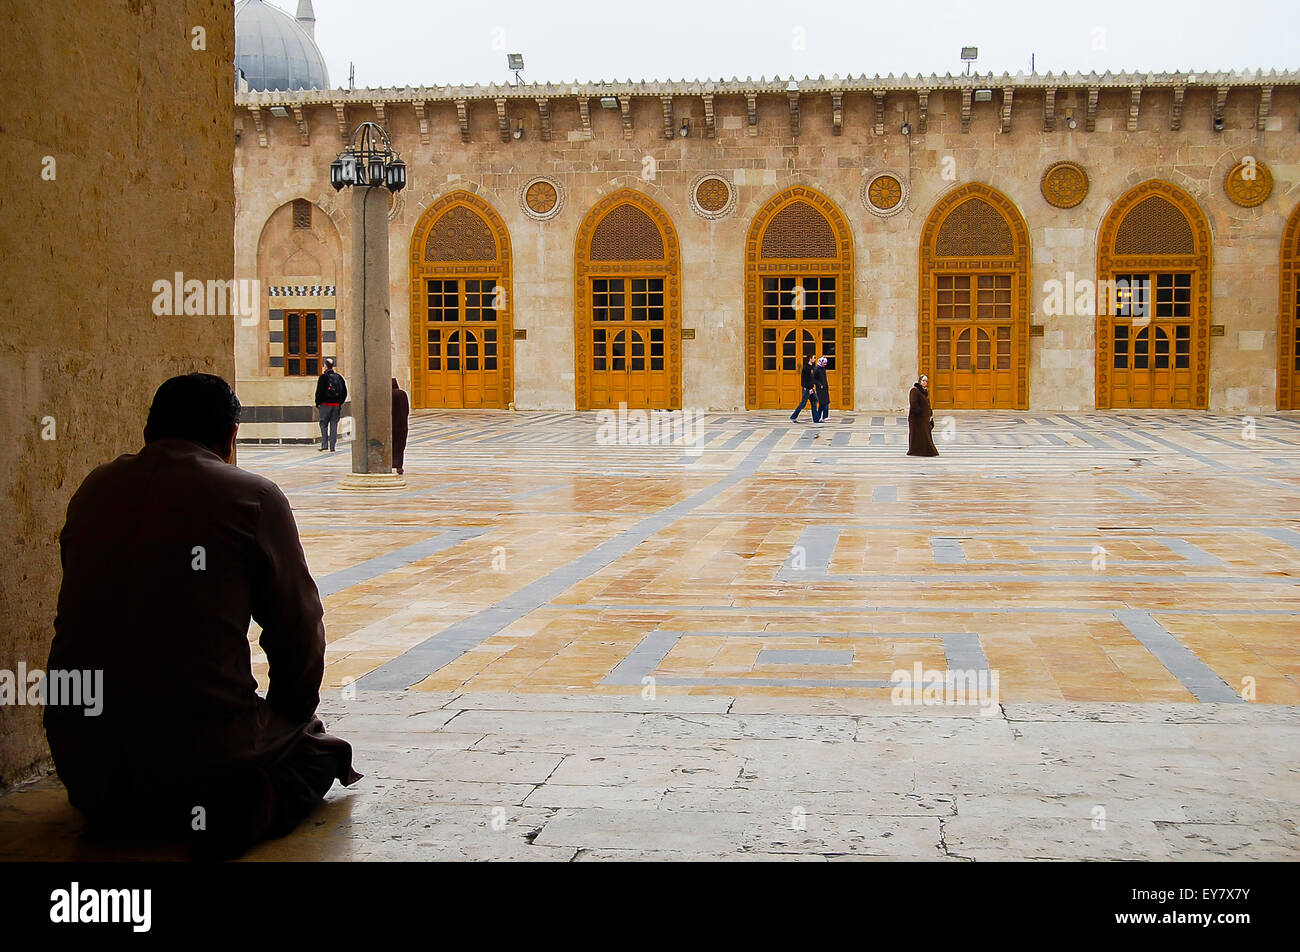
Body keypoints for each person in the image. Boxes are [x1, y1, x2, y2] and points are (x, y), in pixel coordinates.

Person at [45, 373, 360, 860]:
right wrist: (292, 716)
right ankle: (236, 811)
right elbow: (297, 628)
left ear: (149, 430)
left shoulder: (93, 489)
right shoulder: (252, 496)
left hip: (85, 769)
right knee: (321, 749)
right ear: (230, 436)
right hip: (203, 764)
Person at [314, 357, 347, 452]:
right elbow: (344, 391)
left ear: (325, 366)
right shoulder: (339, 377)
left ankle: (324, 444)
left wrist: (318, 403)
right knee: (334, 425)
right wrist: (340, 402)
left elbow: (319, 391)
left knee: (323, 424)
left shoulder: (323, 377)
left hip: (325, 405)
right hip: (336, 405)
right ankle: (332, 446)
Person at [907, 374, 940, 457]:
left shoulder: (924, 391)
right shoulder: (915, 390)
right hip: (917, 418)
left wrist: (930, 413)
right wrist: (920, 412)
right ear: (920, 381)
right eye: (923, 381)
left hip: (924, 418)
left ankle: (925, 451)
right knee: (918, 434)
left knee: (925, 434)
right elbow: (913, 403)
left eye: (926, 381)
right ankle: (916, 451)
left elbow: (927, 404)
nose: (925, 383)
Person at [789, 355, 817, 423]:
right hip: (807, 388)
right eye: (814, 358)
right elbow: (806, 379)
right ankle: (793, 417)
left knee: (814, 402)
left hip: (811, 388)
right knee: (803, 403)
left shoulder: (813, 367)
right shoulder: (806, 368)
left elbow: (812, 378)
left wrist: (813, 387)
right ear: (810, 359)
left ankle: (816, 419)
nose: (815, 359)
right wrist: (810, 388)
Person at [392, 377, 410, 476]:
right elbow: (407, 409)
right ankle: (399, 466)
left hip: (391, 424)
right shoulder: (402, 394)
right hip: (402, 424)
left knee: (391, 445)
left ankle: (390, 464)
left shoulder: (389, 394)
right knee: (399, 446)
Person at [810, 356, 830, 423]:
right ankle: (824, 417)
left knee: (824, 403)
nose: (825, 365)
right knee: (823, 403)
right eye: (824, 363)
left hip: (825, 388)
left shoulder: (822, 368)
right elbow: (813, 379)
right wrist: (819, 385)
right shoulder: (817, 369)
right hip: (820, 389)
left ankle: (818, 417)